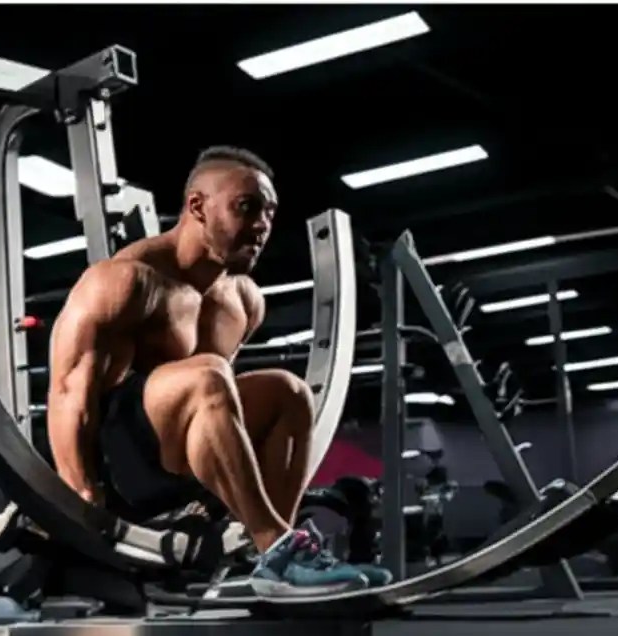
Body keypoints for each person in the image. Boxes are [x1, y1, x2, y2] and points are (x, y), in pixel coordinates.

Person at [46, 145, 392, 596]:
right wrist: (81, 500)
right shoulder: (127, 280)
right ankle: (279, 548)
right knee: (208, 373)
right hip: (123, 466)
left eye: (269, 213)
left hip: (182, 454)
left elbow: (218, 411)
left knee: (289, 392)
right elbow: (70, 390)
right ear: (197, 207)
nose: (262, 226)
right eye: (246, 208)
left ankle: (270, 560)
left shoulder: (244, 301)